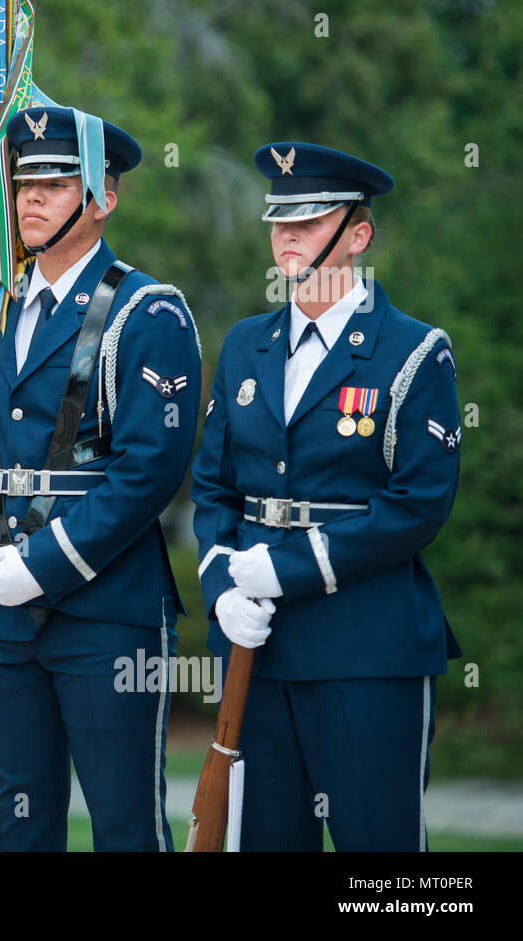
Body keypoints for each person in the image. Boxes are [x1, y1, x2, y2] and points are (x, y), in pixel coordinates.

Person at [0, 106, 202, 850]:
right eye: (22, 181)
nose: (30, 197)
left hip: (103, 605)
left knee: (125, 825)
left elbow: (148, 472)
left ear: (103, 197)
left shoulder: (148, 311)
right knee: (18, 825)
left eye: (55, 181)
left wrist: (43, 565)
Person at [191, 142, 461, 851]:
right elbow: (212, 484)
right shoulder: (247, 345)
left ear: (358, 235)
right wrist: (220, 581)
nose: (286, 236)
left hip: (366, 646)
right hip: (259, 646)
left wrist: (288, 566)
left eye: (307, 222)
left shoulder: (412, 351)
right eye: (279, 221)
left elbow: (419, 501)